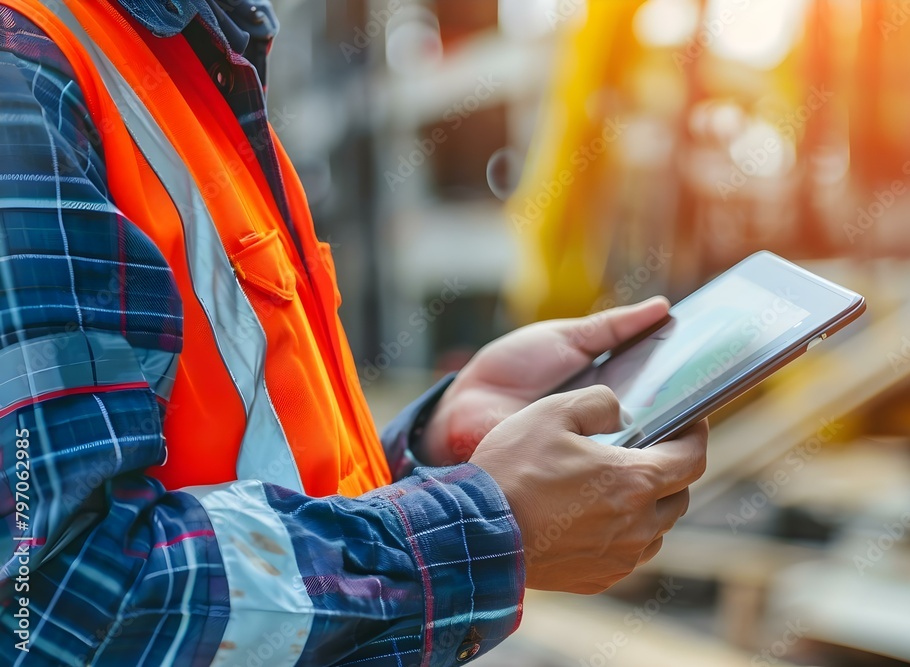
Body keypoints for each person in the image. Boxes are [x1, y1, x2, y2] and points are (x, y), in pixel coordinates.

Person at [0, 1, 708, 665]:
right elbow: (55, 603)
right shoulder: (25, 72)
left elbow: (261, 476)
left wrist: (436, 449)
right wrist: (488, 523)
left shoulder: (195, 68)